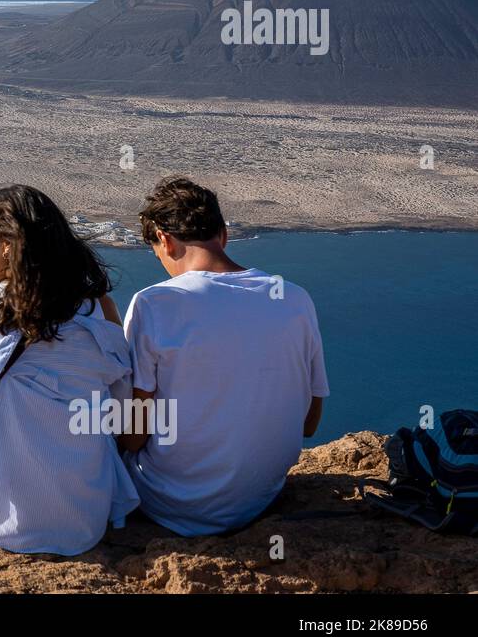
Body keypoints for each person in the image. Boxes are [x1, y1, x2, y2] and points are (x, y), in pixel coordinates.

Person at [0, 184, 140, 555]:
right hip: (85, 515)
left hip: (3, 521)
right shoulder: (101, 309)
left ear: (7, 245)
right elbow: (120, 411)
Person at [121, 176, 329, 536]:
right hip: (262, 496)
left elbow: (135, 432)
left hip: (173, 504)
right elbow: (309, 423)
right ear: (224, 234)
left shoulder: (155, 303)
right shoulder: (294, 297)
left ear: (165, 241)